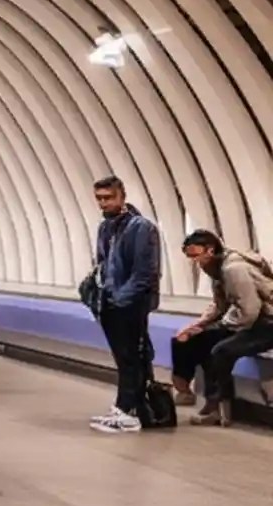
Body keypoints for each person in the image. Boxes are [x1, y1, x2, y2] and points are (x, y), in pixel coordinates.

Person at [171, 230, 273, 426]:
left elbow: (250, 310)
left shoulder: (233, 269)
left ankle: (214, 405)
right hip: (256, 321)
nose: (193, 262)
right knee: (189, 339)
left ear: (210, 250)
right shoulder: (217, 268)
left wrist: (221, 326)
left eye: (195, 255)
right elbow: (220, 305)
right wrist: (197, 325)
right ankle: (184, 388)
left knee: (221, 350)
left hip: (268, 323)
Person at [86, 176, 162, 434]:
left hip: (131, 303)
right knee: (123, 358)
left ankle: (129, 410)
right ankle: (125, 407)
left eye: (108, 198)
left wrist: (121, 298)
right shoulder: (105, 229)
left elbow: (145, 272)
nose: (103, 203)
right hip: (110, 302)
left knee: (132, 357)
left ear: (122, 197)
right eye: (99, 198)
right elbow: (103, 264)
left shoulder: (141, 228)